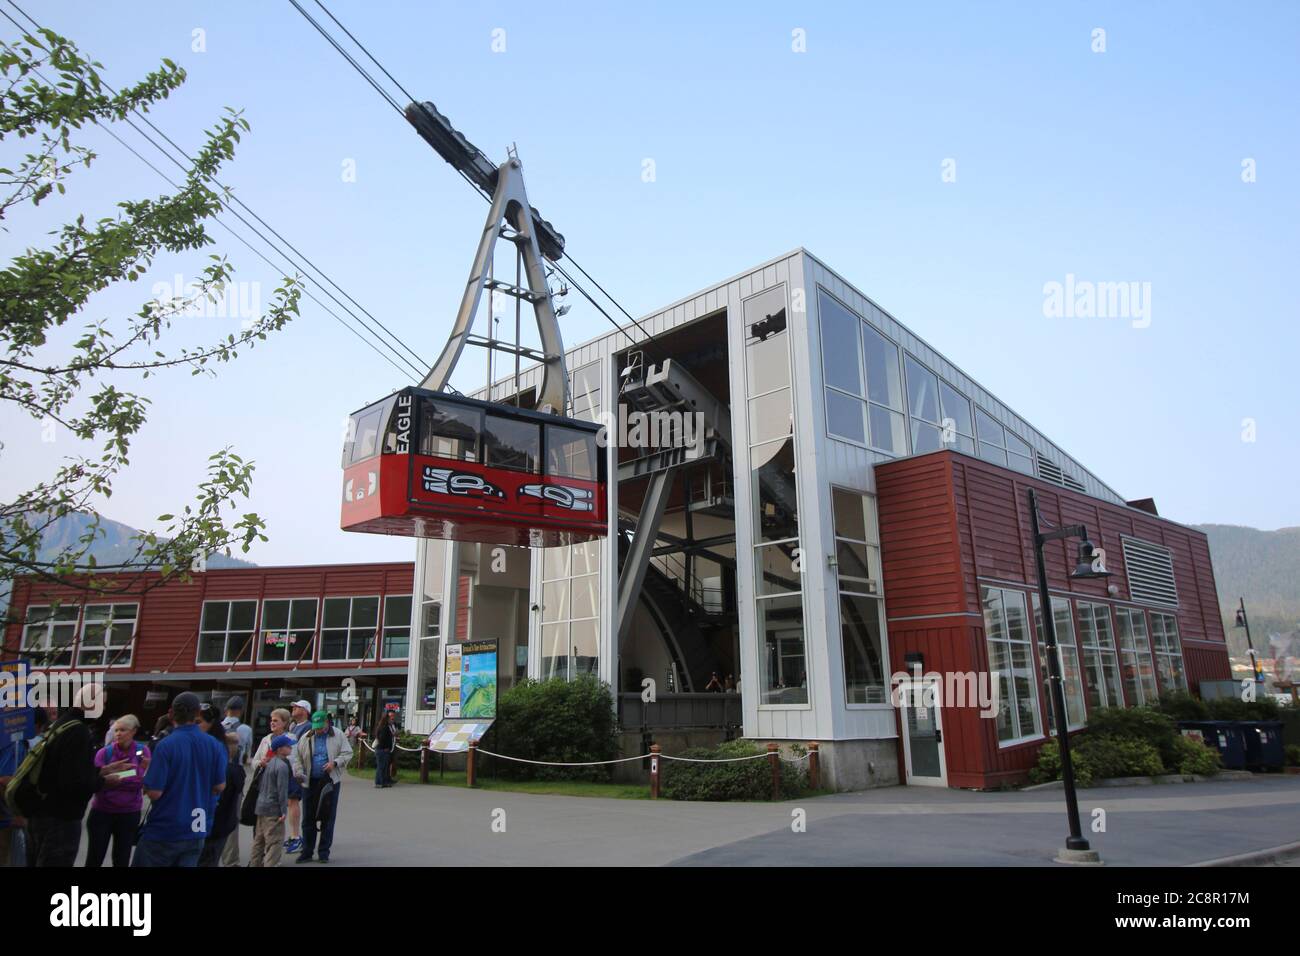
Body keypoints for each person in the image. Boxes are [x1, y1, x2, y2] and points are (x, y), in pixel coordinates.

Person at [22, 684, 130, 867]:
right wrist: (103, 782)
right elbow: (74, 783)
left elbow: (64, 769)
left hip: (42, 812)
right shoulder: (78, 731)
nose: (103, 709)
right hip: (61, 818)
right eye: (102, 703)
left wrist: (101, 770)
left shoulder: (62, 724)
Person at [133, 692, 228, 868]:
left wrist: (148, 777)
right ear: (198, 713)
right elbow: (220, 785)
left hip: (166, 828)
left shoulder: (166, 745)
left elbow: (154, 792)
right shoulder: (215, 745)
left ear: (171, 714)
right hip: (197, 828)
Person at [85, 715, 151, 867]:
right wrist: (130, 774)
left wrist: (116, 777)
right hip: (102, 811)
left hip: (128, 813)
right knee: (94, 857)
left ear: (134, 731)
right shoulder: (104, 753)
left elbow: (140, 780)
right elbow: (96, 780)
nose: (118, 734)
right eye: (116, 730)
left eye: (123, 730)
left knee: (122, 858)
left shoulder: (142, 751)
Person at [292, 710, 352, 864]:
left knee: (328, 817)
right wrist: (298, 771)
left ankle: (324, 852)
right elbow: (297, 756)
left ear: (327, 722)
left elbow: (347, 753)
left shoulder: (337, 735)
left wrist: (335, 763)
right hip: (310, 781)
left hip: (329, 781)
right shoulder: (307, 736)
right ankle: (307, 851)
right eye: (316, 727)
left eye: (321, 726)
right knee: (308, 818)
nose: (318, 730)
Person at [198, 732, 245, 867]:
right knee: (211, 857)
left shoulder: (218, 769)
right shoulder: (236, 771)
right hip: (224, 823)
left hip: (209, 822)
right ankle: (231, 861)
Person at [248, 734, 294, 868]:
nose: (290, 748)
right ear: (279, 749)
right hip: (273, 809)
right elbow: (282, 790)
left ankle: (255, 864)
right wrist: (283, 811)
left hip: (261, 806)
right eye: (287, 746)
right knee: (274, 842)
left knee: (259, 840)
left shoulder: (268, 764)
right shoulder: (282, 766)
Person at [283, 700, 313, 855]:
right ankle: (293, 834)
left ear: (305, 710)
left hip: (297, 769)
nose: (293, 708)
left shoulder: (307, 727)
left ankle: (296, 836)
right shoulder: (293, 726)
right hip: (289, 767)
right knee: (289, 801)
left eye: (297, 707)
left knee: (293, 800)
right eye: (293, 706)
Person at [372, 710, 396, 789]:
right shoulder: (384, 727)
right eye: (389, 718)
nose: (391, 719)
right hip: (382, 750)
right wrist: (385, 747)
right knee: (381, 766)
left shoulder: (384, 727)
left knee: (385, 766)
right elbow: (382, 739)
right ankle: (378, 782)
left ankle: (384, 781)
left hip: (384, 749)